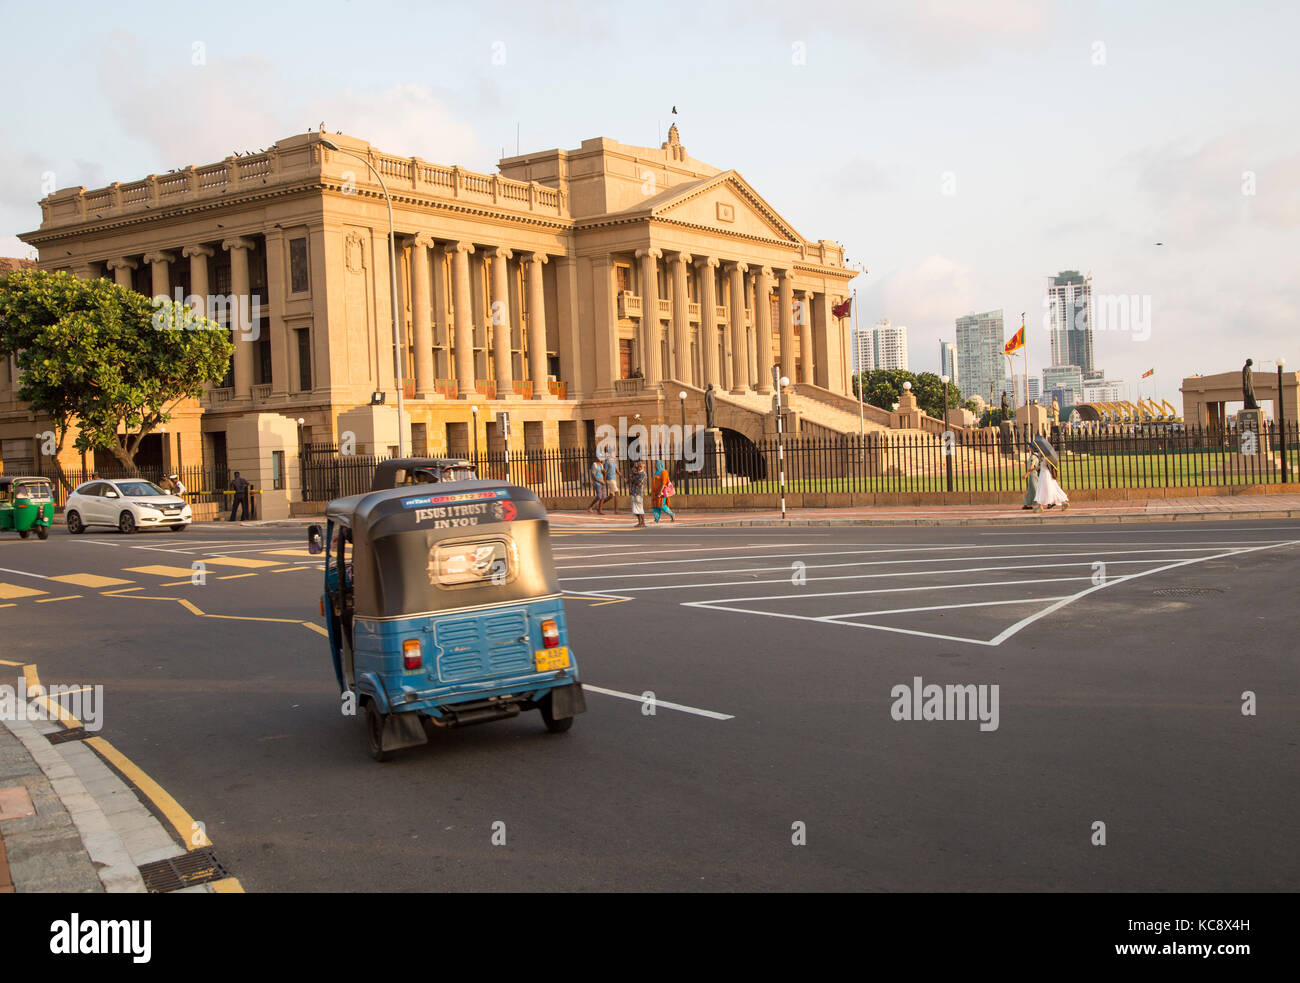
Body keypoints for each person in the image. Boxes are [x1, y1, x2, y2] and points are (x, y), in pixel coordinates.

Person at [651, 459, 675, 523]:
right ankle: (656, 519)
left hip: (661, 492)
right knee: (655, 505)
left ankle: (671, 514)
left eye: (655, 464)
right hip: (655, 493)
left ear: (658, 464)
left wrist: (660, 492)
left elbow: (664, 483)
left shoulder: (664, 472)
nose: (654, 465)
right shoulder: (656, 473)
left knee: (662, 505)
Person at [628, 459, 648, 528]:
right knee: (635, 509)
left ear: (644, 466)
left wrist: (634, 480)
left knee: (640, 508)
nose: (639, 465)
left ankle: (643, 522)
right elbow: (631, 479)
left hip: (639, 493)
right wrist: (633, 479)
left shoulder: (643, 473)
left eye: (641, 464)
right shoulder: (637, 472)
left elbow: (639, 483)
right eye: (639, 464)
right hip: (634, 492)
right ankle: (640, 522)